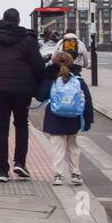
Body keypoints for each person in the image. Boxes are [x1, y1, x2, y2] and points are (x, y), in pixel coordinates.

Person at [0, 8, 47, 182]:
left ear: (3, 20)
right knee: (21, 125)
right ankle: (20, 163)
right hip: (22, 90)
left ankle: (2, 170)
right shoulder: (28, 39)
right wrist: (40, 87)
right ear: (18, 21)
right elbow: (38, 66)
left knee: (2, 129)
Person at [37, 51, 93, 187]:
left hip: (54, 117)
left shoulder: (50, 78)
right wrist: (88, 119)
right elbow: (87, 101)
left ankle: (58, 175)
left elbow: (40, 96)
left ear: (54, 61)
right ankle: (75, 173)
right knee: (72, 146)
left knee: (57, 147)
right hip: (73, 117)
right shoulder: (77, 79)